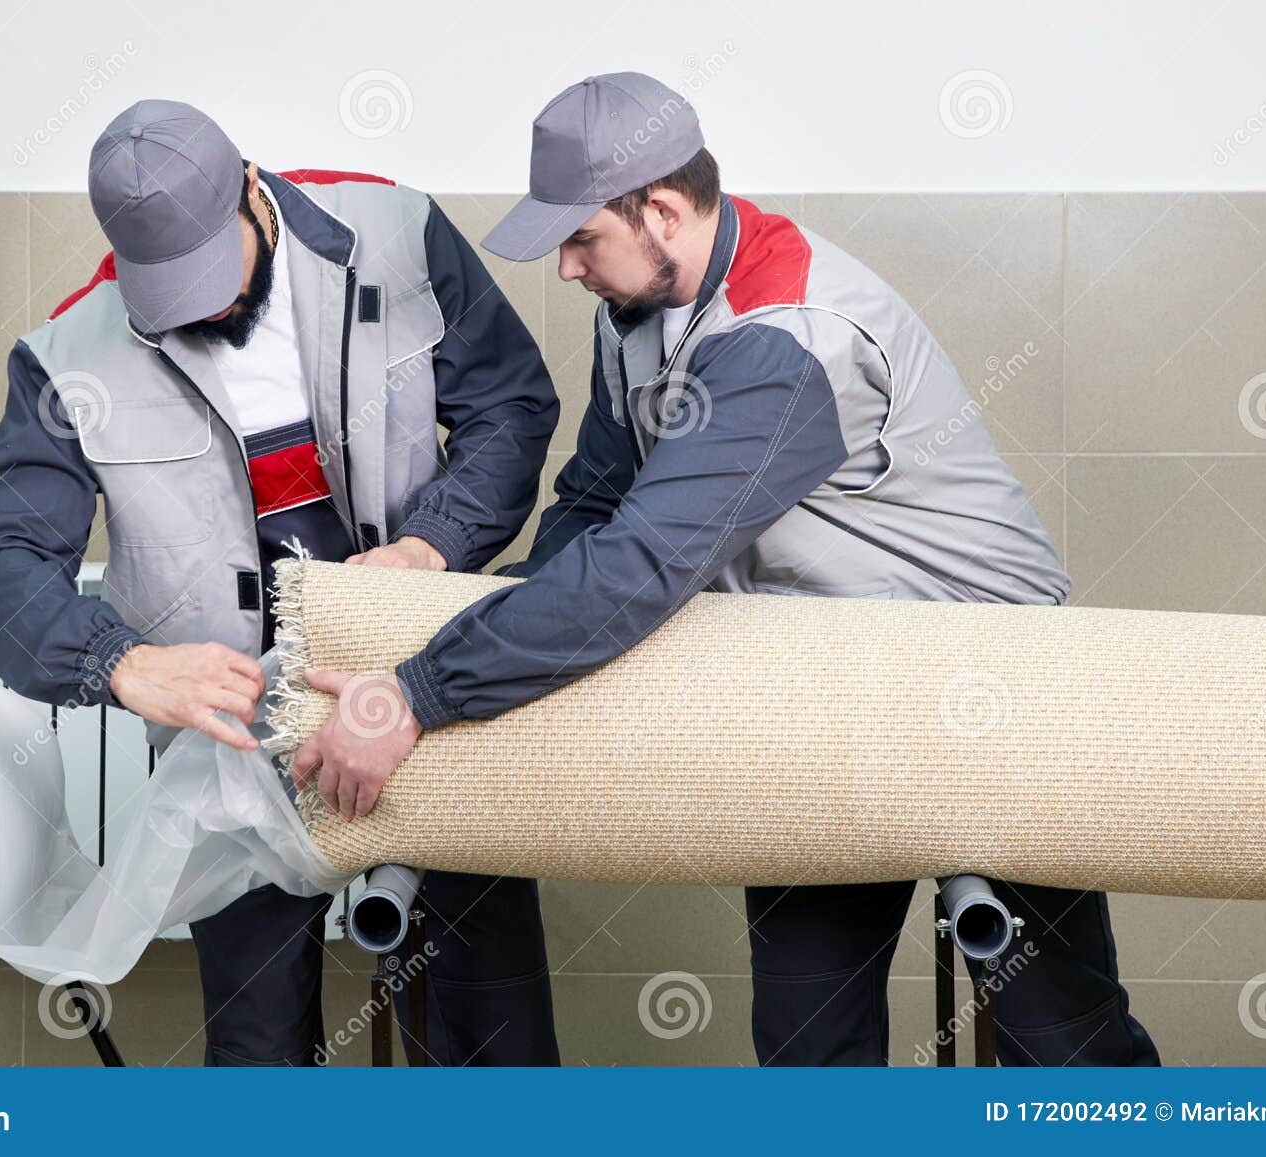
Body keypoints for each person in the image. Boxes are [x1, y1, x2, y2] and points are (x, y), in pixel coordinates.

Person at [291, 73, 1159, 1067]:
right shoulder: (639, 311)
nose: (569, 269)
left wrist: (417, 690)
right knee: (806, 1048)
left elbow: (641, 565)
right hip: (827, 692)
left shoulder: (786, 340)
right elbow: (594, 501)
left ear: (660, 209)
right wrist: (463, 607)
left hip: (991, 689)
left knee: (1065, 1041)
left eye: (581, 240)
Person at [0, 99, 561, 1067]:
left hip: (430, 691)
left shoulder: (397, 236)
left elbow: (512, 407)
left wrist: (430, 546)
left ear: (250, 188)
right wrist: (122, 663)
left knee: (491, 1032)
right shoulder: (68, 358)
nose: (197, 310)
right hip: (234, 744)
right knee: (257, 1047)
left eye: (210, 275)